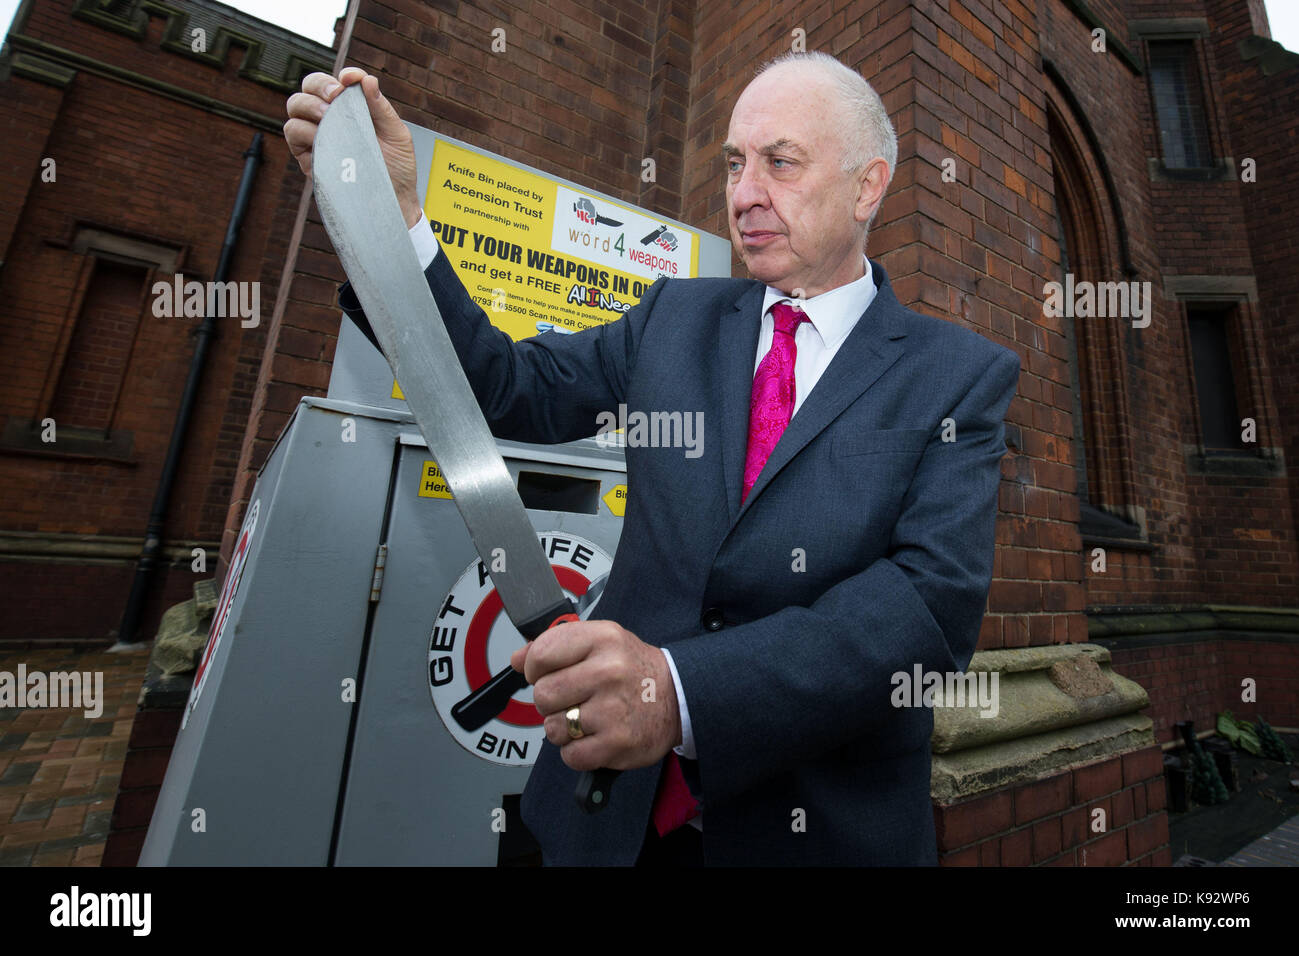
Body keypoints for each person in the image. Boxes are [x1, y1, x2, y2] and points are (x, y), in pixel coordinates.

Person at [284, 51, 1021, 865]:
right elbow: (503, 386)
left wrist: (679, 692)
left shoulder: (956, 375)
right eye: (735, 163)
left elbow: (924, 609)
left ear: (868, 185)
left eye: (780, 163)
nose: (744, 195)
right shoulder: (674, 315)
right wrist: (392, 222)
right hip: (600, 822)